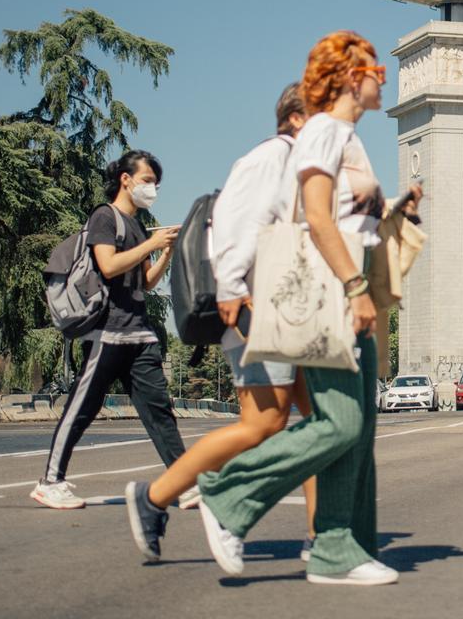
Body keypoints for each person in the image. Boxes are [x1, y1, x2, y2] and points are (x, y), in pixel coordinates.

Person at [195, 30, 422, 586]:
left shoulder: (345, 135)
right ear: (349, 77)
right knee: (339, 423)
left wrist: (396, 206)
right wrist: (353, 287)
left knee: (360, 431)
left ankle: (341, 550)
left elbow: (345, 216)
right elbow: (316, 217)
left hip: (351, 286)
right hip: (331, 292)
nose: (381, 80)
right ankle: (228, 495)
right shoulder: (323, 130)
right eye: (375, 70)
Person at [124, 84, 318, 561]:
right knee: (262, 424)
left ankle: (323, 534)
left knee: (320, 423)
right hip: (257, 308)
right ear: (297, 119)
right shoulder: (268, 159)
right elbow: (231, 224)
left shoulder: (299, 165)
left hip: (288, 304)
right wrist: (233, 289)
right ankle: (156, 498)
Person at [31, 150, 188, 509]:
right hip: (107, 332)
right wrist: (151, 243)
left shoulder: (136, 224)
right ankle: (50, 482)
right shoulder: (106, 217)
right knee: (82, 409)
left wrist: (164, 252)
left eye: (156, 184)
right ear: (126, 179)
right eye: (148, 181)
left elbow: (145, 283)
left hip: (138, 332)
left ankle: (182, 482)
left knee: (159, 411)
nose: (153, 189)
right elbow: (108, 264)